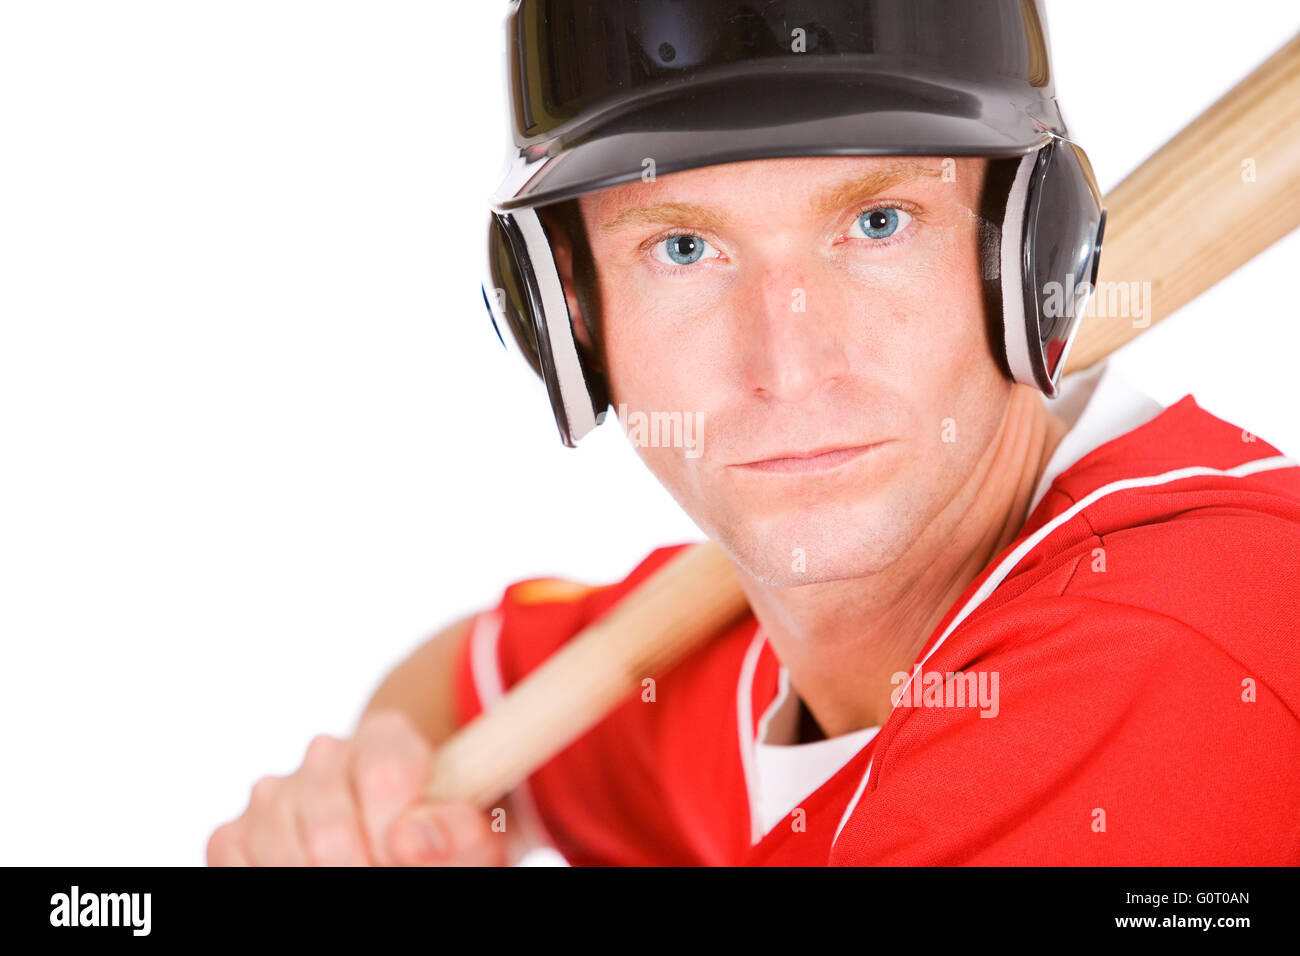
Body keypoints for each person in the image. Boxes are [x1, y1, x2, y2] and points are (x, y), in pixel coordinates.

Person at [206, 0, 1300, 866]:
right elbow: (454, 687)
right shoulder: (741, 657)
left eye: (877, 222)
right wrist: (380, 814)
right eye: (682, 249)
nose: (787, 368)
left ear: (1031, 255)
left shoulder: (1164, 660)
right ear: (569, 317)